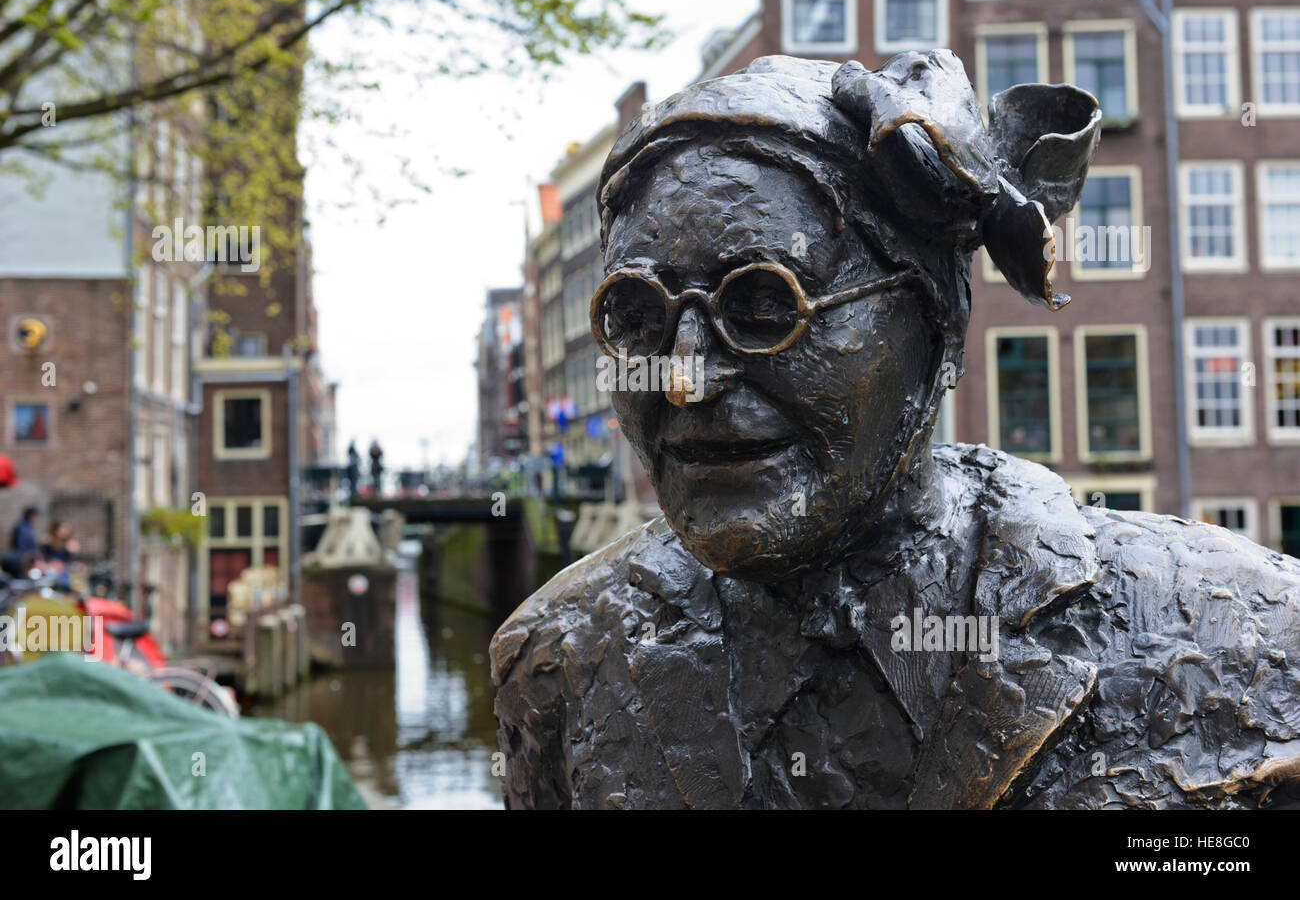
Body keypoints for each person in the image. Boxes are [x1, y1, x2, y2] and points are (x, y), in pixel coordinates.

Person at [489, 52, 1300, 810]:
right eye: (637, 317)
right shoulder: (554, 665)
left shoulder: (1248, 637)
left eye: (764, 306)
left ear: (935, 322)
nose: (683, 378)